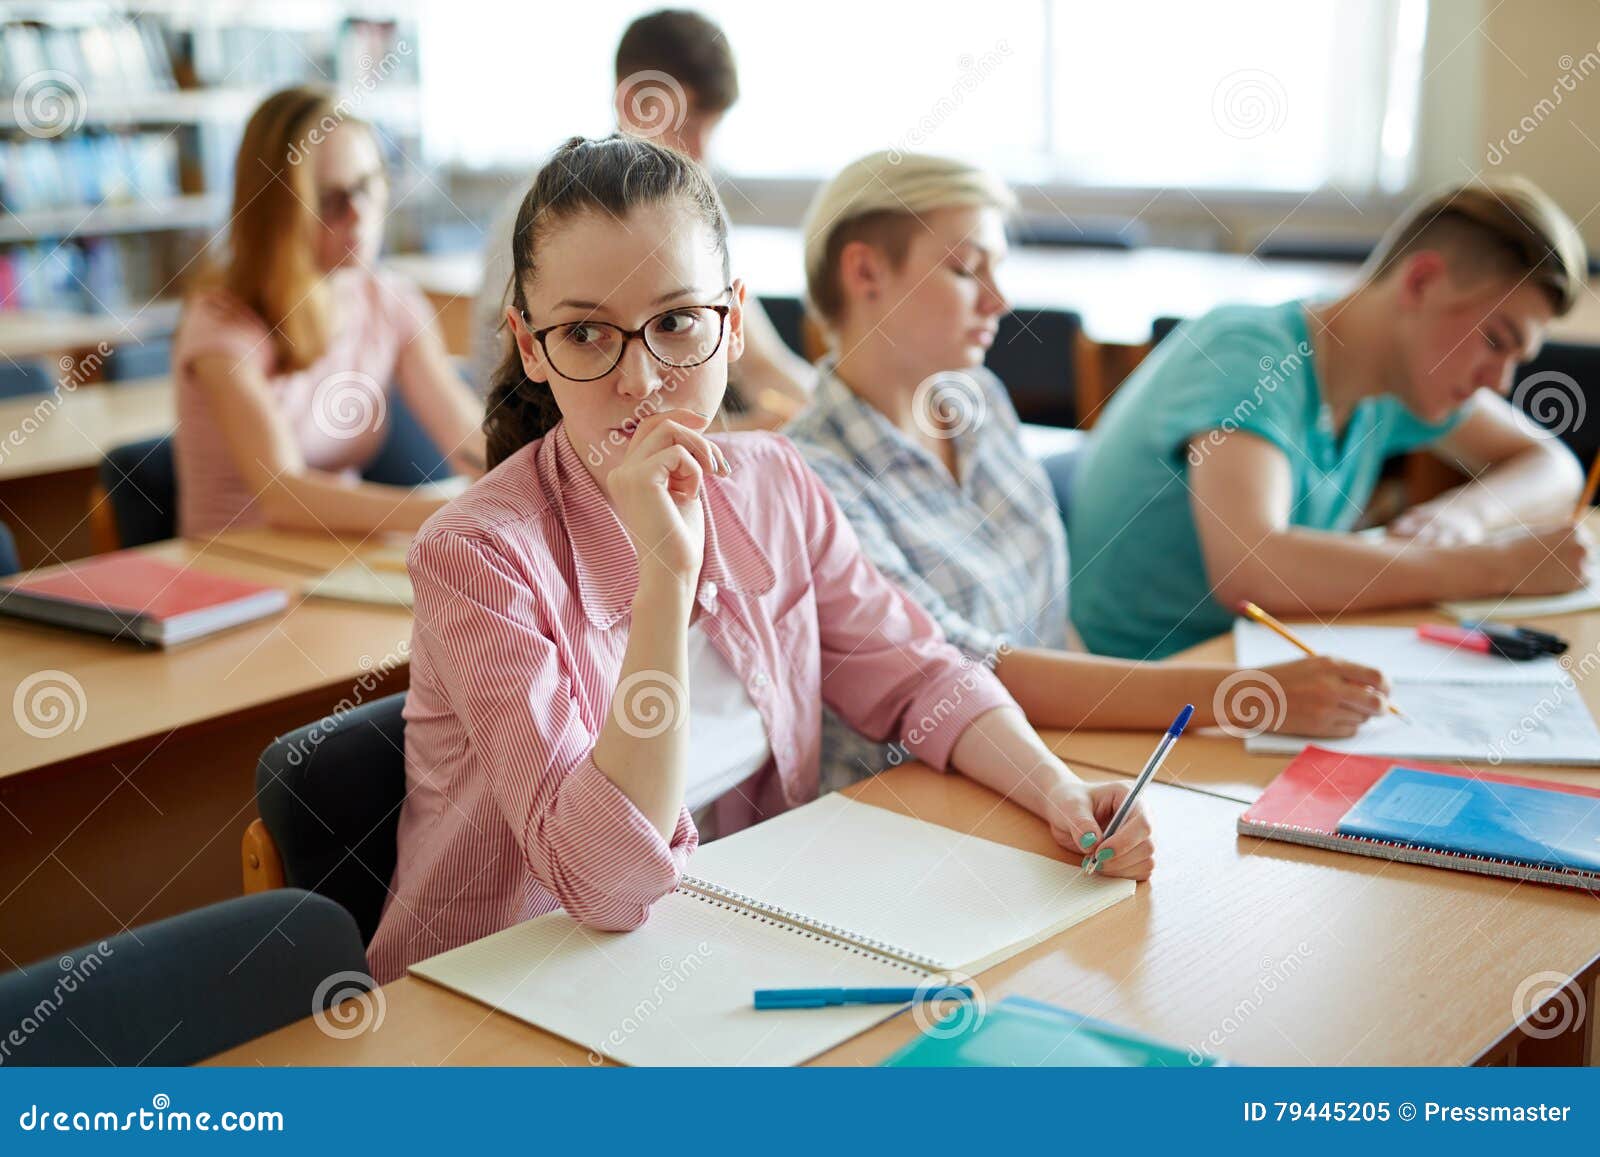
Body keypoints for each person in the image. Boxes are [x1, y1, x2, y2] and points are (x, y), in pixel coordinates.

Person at [366, 136, 1154, 982]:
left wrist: (1057, 789)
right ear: (530, 345)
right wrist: (665, 581)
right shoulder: (476, 555)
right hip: (492, 996)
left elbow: (923, 675)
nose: (641, 380)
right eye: (587, 333)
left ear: (735, 322)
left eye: (676, 323)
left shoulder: (776, 481)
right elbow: (606, 881)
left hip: (711, 951)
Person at [784, 151, 1390, 789]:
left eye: (998, 269)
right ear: (865, 272)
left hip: (1050, 763)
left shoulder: (979, 401)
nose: (999, 299)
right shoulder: (814, 478)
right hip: (910, 801)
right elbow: (961, 675)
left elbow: (1050, 625)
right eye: (965, 269)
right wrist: (1243, 693)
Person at [1068, 177, 1594, 660]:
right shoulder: (1249, 356)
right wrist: (1495, 566)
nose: (1499, 382)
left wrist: (1463, 518)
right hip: (1141, 691)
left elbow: (1552, 464)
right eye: (1494, 341)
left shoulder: (1395, 376)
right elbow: (1252, 571)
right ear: (1422, 283)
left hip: (1256, 661)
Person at [469, 8, 811, 425]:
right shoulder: (549, 218)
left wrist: (836, 414)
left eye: (712, 128)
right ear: (631, 101)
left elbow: (761, 363)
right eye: (690, 124)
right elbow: (547, 414)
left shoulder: (687, 207)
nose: (701, 152)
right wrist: (748, 433)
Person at [172, 87, 484, 539]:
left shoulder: (390, 299)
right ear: (276, 211)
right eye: (330, 200)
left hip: (339, 560)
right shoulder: (223, 321)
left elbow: (470, 441)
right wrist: (442, 516)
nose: (358, 215)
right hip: (237, 576)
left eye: (366, 187)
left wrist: (530, 486)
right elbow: (283, 495)